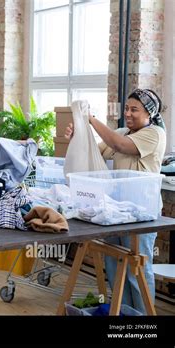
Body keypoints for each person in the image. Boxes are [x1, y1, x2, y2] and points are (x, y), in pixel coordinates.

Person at [65, 89, 166, 313]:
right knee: (114, 264)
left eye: (134, 110)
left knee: (136, 269)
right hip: (115, 212)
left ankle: (143, 318)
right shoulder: (121, 132)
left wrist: (89, 119)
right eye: (126, 109)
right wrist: (79, 136)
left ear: (149, 113)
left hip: (142, 214)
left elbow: (121, 146)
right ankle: (124, 312)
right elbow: (95, 152)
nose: (128, 114)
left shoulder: (155, 134)